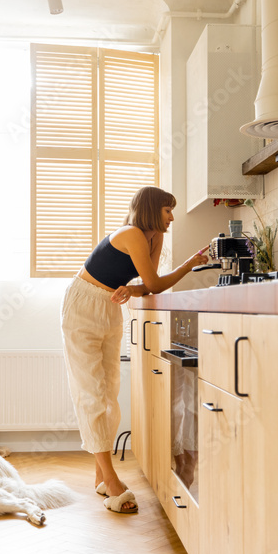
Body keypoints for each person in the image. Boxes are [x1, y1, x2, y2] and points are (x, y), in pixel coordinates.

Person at [60, 186, 209, 513]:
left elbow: (146, 284)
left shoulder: (153, 239)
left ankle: (101, 477)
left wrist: (133, 287)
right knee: (92, 393)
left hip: (110, 306)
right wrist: (188, 265)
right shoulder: (131, 234)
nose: (172, 217)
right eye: (168, 210)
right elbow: (155, 285)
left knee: (109, 391)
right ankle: (113, 483)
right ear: (152, 209)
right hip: (83, 305)